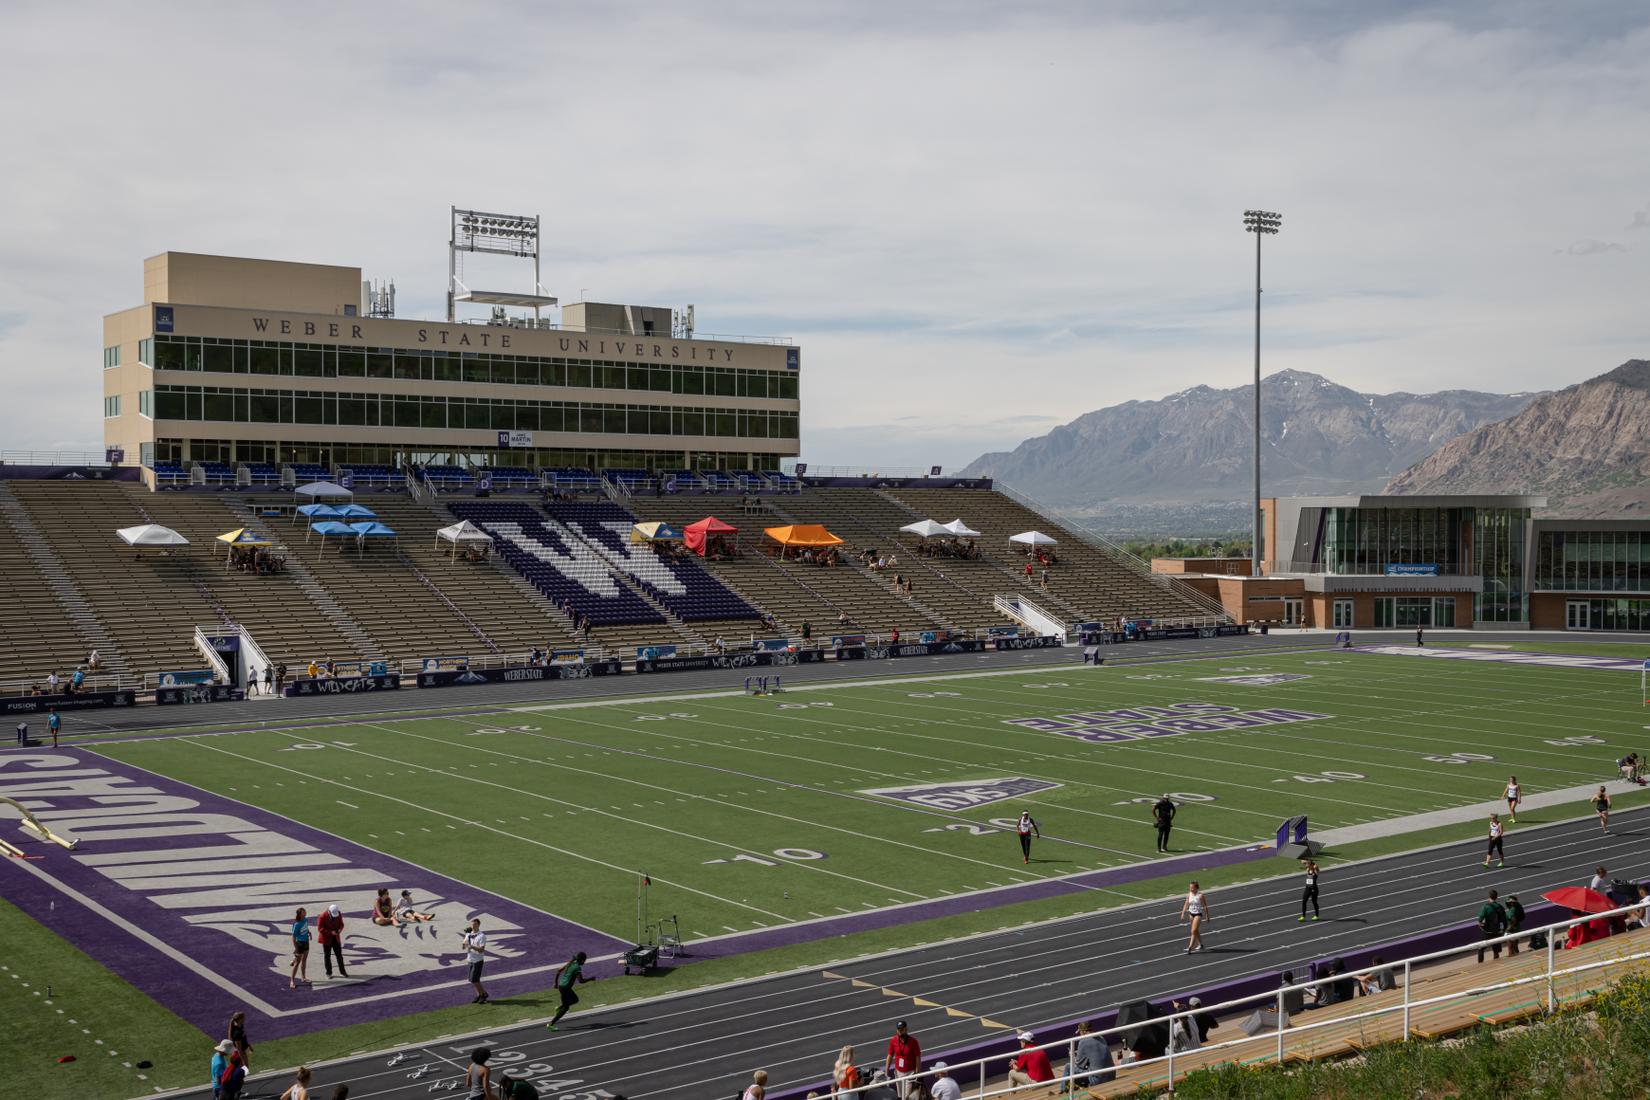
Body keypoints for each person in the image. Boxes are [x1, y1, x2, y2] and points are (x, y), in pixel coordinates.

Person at [547, 950, 588, 1030]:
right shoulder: (577, 967)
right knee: (566, 1008)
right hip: (565, 988)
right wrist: (591, 979)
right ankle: (550, 1024)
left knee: (575, 999)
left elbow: (558, 970)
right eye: (584, 960)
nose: (584, 962)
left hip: (561, 986)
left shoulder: (570, 963)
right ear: (582, 960)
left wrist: (555, 983)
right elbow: (581, 981)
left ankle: (559, 1008)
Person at [1065, 1020, 1113, 1088]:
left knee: (1068, 1067)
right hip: (1111, 1076)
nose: (1080, 1034)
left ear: (1082, 1032)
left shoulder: (1083, 1041)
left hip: (1098, 1079)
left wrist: (1072, 1056)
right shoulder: (1101, 1037)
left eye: (1080, 1032)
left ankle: (1063, 1090)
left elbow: (1079, 1065)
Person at [884, 1020, 921, 1099]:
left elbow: (917, 1057)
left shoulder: (913, 1042)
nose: (900, 1031)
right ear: (897, 1030)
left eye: (902, 1029)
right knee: (900, 1096)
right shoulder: (893, 1040)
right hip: (898, 1073)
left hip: (910, 1073)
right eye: (899, 1029)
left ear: (906, 1029)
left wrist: (917, 1073)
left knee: (907, 1096)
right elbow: (890, 1055)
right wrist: (886, 1071)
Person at [318, 903, 349, 979]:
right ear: (329, 911)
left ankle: (343, 972)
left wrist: (339, 930)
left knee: (339, 956)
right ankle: (329, 973)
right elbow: (320, 929)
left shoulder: (338, 913)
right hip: (327, 939)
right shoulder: (322, 916)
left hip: (336, 938)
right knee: (327, 956)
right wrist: (331, 932)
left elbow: (341, 924)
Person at [1476, 888, 1507, 962]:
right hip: (1497, 932)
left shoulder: (1486, 907)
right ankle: (1497, 964)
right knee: (1496, 951)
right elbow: (1504, 920)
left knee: (1480, 949)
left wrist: (1480, 925)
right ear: (1496, 897)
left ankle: (1480, 966)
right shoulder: (1500, 907)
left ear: (1489, 896)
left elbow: (1480, 919)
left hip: (1488, 932)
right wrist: (1502, 930)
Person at [463, 917, 489, 1004]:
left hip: (478, 960)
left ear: (478, 925)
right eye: (472, 924)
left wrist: (471, 946)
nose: (472, 926)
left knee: (474, 979)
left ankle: (483, 995)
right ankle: (480, 994)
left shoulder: (482, 936)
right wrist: (465, 938)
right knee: (473, 980)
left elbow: (481, 950)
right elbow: (463, 946)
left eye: (474, 924)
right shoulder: (469, 934)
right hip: (470, 959)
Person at [1180, 881, 1210, 953]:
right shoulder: (1189, 895)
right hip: (1191, 914)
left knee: (1193, 930)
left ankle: (1190, 948)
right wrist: (1183, 913)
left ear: (1196, 888)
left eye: (1192, 888)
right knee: (1195, 930)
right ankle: (1201, 944)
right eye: (1190, 887)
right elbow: (1186, 904)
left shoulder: (1200, 895)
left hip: (1198, 914)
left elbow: (1205, 906)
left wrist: (1207, 916)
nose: (1191, 889)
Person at [290, 906, 311, 989]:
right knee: (297, 963)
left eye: (305, 911)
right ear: (300, 914)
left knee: (304, 960)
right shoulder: (297, 924)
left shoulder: (305, 919)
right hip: (300, 943)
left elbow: (305, 928)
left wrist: (309, 932)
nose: (305, 913)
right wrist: (296, 947)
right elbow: (293, 936)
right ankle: (292, 981)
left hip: (306, 942)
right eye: (303, 912)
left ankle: (303, 977)